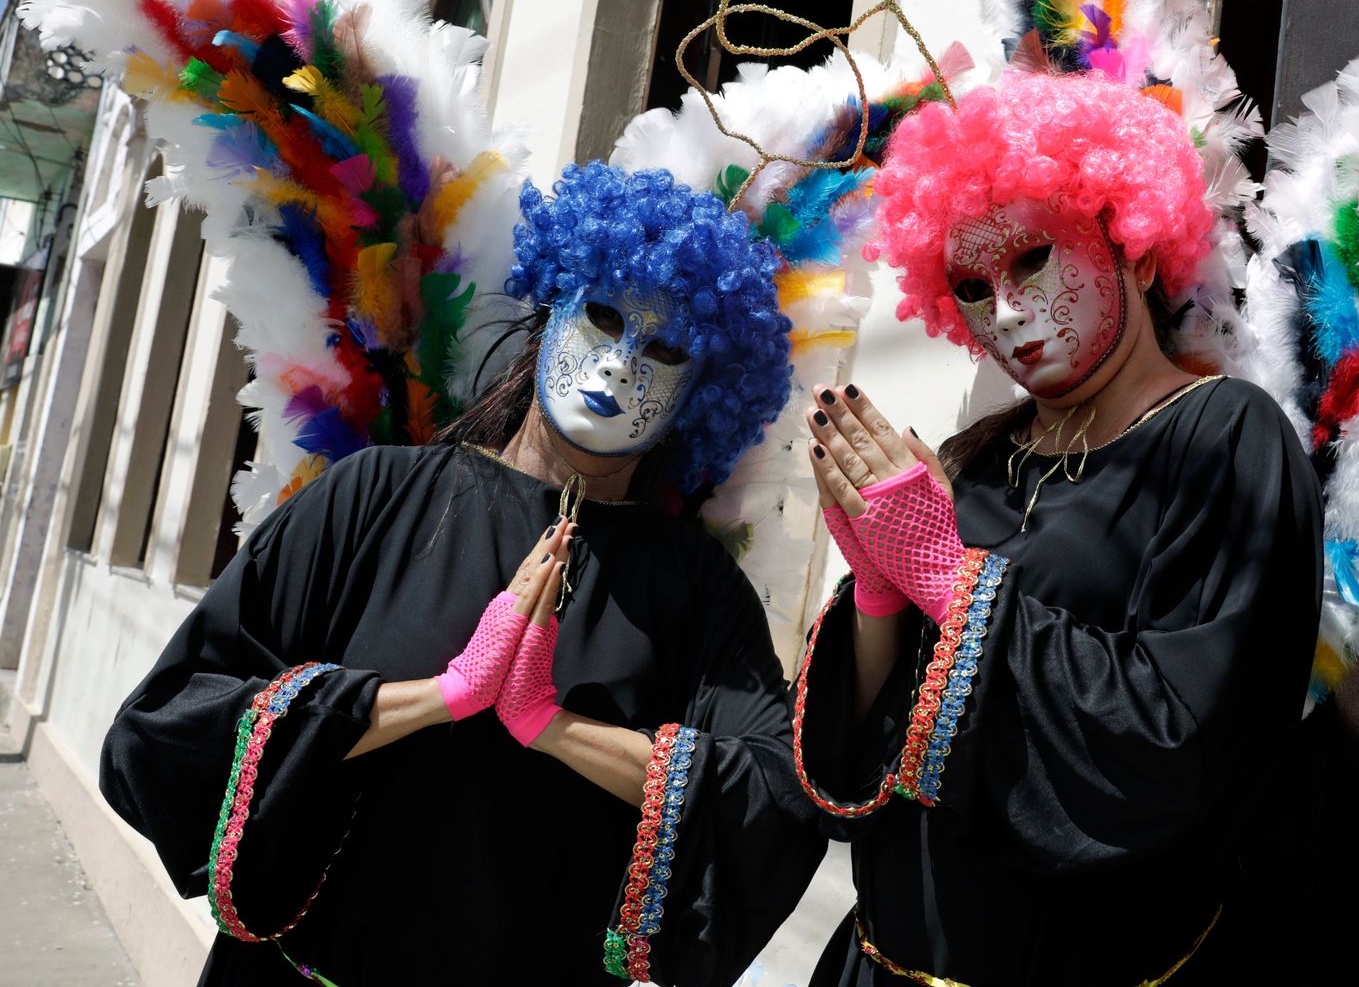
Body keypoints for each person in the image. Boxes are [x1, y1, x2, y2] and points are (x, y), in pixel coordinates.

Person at [100, 162, 824, 985]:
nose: (623, 365)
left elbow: (773, 805)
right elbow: (163, 727)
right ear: (550, 310)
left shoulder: (693, 589)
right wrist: (437, 698)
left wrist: (553, 727)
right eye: (603, 316)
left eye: (663, 350)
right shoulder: (373, 495)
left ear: (703, 390)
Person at [792, 71, 1325, 984]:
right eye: (969, 284)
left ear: (1139, 249)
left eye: (1034, 258)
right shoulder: (977, 459)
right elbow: (870, 751)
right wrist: (881, 593)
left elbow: (1175, 734)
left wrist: (941, 574)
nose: (1004, 310)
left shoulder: (1226, 439)